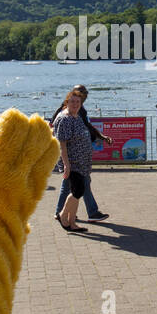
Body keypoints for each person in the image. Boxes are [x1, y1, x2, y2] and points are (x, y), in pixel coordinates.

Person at [51, 85, 112, 222]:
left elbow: (88, 127)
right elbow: (60, 136)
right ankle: (91, 212)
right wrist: (66, 164)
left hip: (80, 160)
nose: (84, 96)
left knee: (69, 185)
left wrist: (102, 137)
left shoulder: (79, 111)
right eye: (82, 93)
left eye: (85, 94)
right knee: (82, 185)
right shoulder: (65, 113)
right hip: (74, 161)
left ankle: (60, 212)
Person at [51, 87, 94, 232]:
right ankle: (63, 215)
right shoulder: (65, 119)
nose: (75, 104)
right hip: (72, 163)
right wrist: (66, 165)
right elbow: (62, 144)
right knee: (77, 191)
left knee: (78, 192)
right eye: (72, 102)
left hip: (82, 162)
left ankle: (72, 222)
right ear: (67, 102)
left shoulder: (76, 116)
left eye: (78, 102)